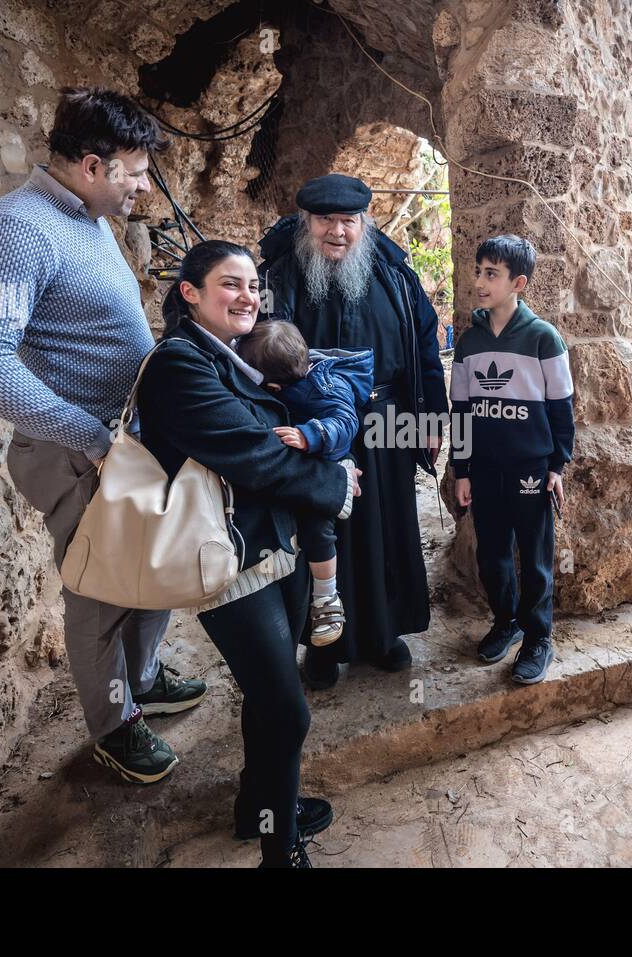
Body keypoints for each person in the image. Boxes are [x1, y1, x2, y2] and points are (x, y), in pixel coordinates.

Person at [0, 87, 207, 784]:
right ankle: (116, 724)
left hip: (124, 442)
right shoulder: (15, 228)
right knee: (100, 594)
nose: (145, 186)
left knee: (148, 570)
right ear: (92, 166)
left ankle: (142, 677)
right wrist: (87, 434)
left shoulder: (87, 217)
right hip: (78, 450)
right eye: (135, 171)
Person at [137, 240, 361, 867]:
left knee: (270, 699)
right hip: (229, 566)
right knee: (289, 714)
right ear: (190, 292)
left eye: (253, 287)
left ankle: (258, 808)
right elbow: (254, 455)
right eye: (230, 285)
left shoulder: (228, 356)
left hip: (269, 548)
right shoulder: (179, 366)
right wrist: (336, 483)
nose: (247, 297)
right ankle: (280, 854)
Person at [258, 173, 449, 689]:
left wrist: (430, 418)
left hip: (387, 423)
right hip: (313, 425)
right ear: (307, 223)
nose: (337, 232)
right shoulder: (277, 277)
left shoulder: (397, 278)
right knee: (322, 534)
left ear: (364, 223)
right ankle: (323, 646)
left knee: (385, 525)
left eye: (348, 221)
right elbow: (256, 355)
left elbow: (425, 350)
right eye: (325, 220)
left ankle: (383, 635)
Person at [451, 235, 575, 684]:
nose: (480, 282)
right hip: (484, 470)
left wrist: (557, 466)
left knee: (536, 556)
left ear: (517, 282)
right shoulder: (468, 342)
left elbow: (562, 409)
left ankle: (539, 636)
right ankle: (506, 621)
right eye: (478, 271)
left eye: (491, 274)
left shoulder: (543, 338)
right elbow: (460, 411)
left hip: (530, 470)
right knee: (493, 556)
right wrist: (461, 470)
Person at [235, 319, 374, 646]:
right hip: (304, 467)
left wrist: (310, 434)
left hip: (329, 462)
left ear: (272, 388)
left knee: (317, 530)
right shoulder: (294, 373)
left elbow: (344, 421)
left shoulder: (325, 386)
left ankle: (327, 599)